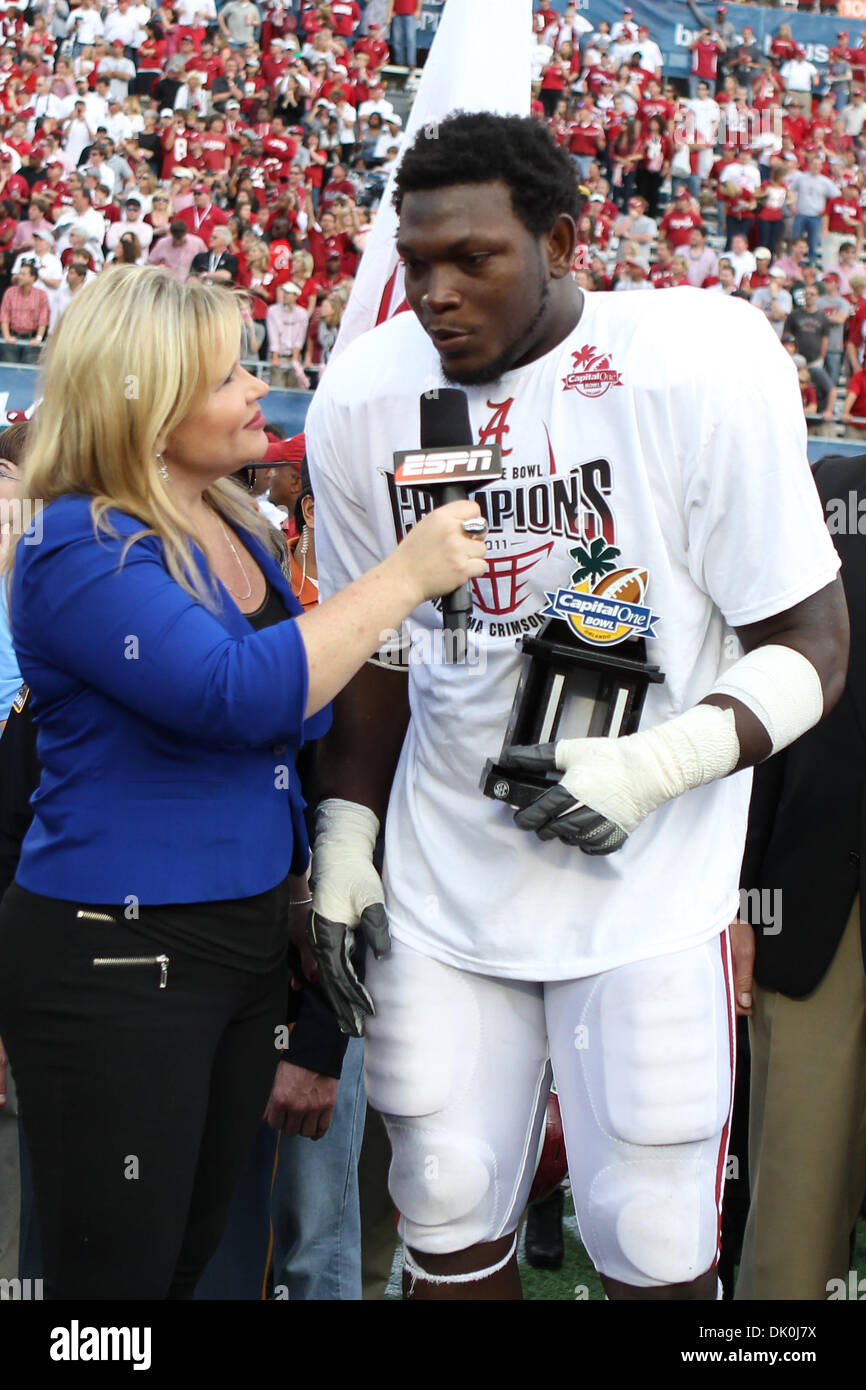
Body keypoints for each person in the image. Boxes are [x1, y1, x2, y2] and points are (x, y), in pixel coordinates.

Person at [304, 111, 848, 1302]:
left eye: (472, 259)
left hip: (648, 884)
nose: (435, 292)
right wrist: (347, 835)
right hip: (448, 876)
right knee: (440, 1189)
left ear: (560, 241)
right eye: (415, 261)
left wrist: (652, 766)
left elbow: (810, 644)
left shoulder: (695, 358)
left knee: (652, 1229)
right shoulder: (364, 392)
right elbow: (380, 651)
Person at [0, 264, 487, 1301]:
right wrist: (401, 575)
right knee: (111, 1278)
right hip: (116, 954)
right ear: (153, 399)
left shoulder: (238, 526)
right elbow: (233, 694)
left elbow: (302, 713)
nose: (256, 389)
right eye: (228, 375)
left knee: (194, 1256)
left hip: (242, 941)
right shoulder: (76, 542)